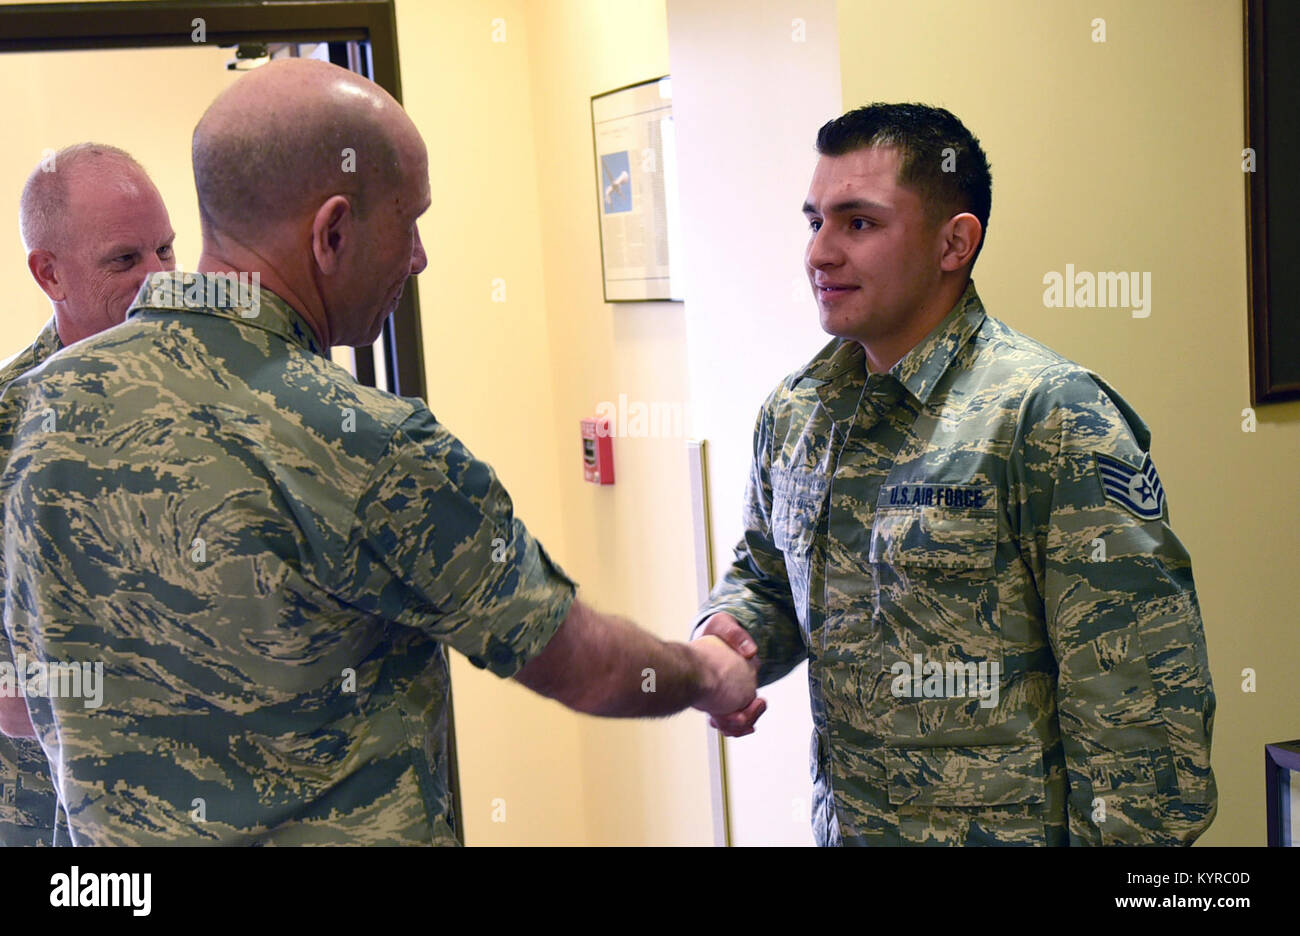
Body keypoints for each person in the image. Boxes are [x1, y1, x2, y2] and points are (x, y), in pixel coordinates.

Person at [0, 59, 761, 846]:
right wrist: (711, 673)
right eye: (409, 221)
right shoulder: (366, 443)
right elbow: (584, 664)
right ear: (331, 233)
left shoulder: (35, 410)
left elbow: (26, 700)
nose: (419, 256)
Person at [695, 103, 1215, 846]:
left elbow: (1141, 708)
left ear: (954, 243)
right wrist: (730, 637)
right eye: (814, 222)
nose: (819, 254)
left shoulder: (1048, 414)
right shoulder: (799, 412)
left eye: (859, 223)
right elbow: (766, 578)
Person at [0, 143, 176, 847]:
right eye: (125, 260)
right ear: (49, 273)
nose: (161, 279)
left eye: (167, 249)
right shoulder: (11, 424)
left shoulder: (212, 396)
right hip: (52, 826)